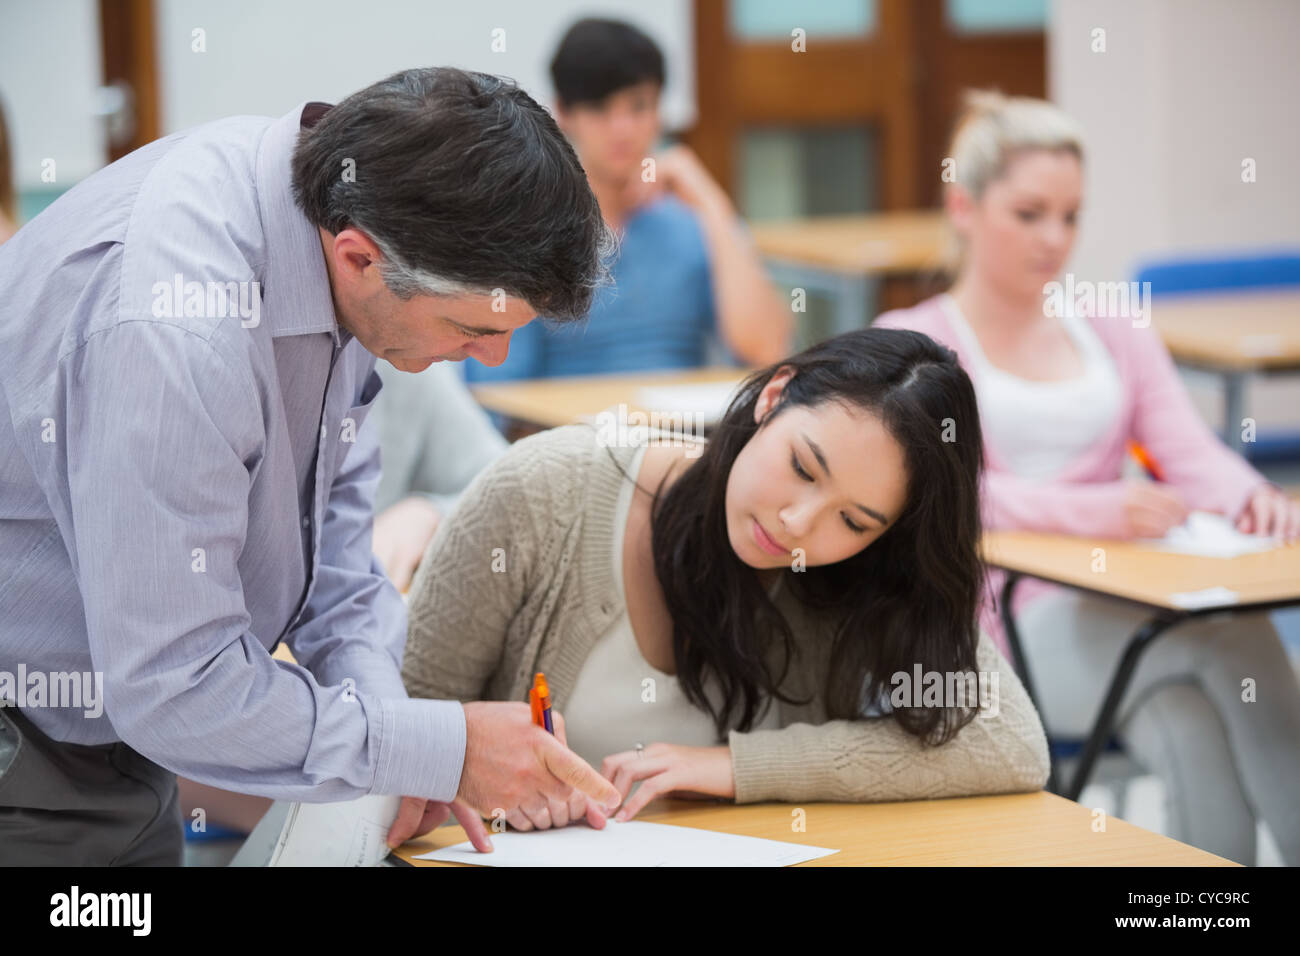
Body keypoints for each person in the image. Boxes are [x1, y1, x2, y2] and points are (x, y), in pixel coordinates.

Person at [0, 66, 622, 865]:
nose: (492, 361)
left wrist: (403, 742)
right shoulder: (177, 333)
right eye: (472, 327)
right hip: (29, 746)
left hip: (116, 737)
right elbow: (175, 682)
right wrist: (441, 748)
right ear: (361, 257)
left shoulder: (323, 228)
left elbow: (333, 562)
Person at [875, 90, 1300, 865]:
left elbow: (1188, 449)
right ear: (963, 206)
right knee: (1235, 641)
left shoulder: (1109, 324)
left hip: (1133, 604)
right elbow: (939, 502)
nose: (1055, 238)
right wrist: (1097, 512)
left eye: (1071, 216)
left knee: (1189, 725)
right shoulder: (915, 346)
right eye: (1030, 213)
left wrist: (1249, 495)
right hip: (1001, 634)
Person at [402, 328, 1051, 832]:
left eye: (853, 520)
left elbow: (1011, 743)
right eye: (802, 466)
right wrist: (485, 779)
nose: (799, 523)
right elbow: (402, 726)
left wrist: (737, 768)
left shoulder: (861, 573)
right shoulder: (544, 493)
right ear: (773, 397)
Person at [465, 17, 791, 387]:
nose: (623, 128)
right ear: (564, 115)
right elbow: (497, 394)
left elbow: (767, 350)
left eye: (638, 107)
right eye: (601, 109)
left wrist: (710, 200)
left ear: (659, 115)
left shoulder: (692, 225)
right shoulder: (531, 236)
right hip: (573, 437)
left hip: (680, 435)